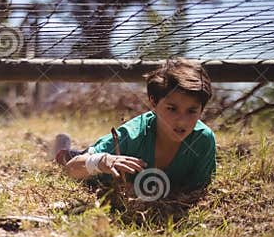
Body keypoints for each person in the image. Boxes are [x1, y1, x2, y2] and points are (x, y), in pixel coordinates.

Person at [55, 59, 216, 197]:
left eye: (191, 111)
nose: (181, 121)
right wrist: (103, 161)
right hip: (94, 175)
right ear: (153, 102)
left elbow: (197, 190)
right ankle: (63, 148)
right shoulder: (132, 135)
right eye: (172, 109)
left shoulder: (203, 140)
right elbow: (71, 170)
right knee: (66, 158)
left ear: (201, 109)